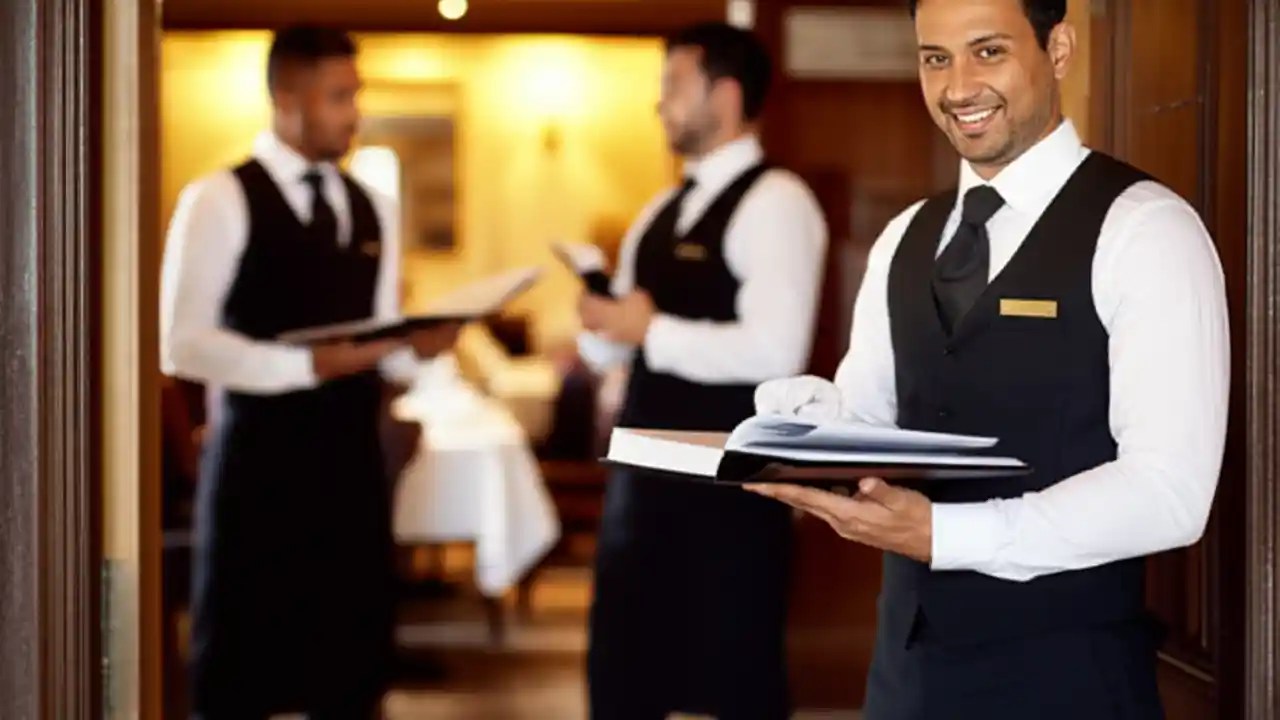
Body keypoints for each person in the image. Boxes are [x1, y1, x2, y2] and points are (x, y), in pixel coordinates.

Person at [748, 1, 1229, 718]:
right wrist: (812, 427)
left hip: (1067, 682)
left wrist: (947, 534)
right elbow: (873, 419)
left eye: (988, 51)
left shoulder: (1146, 230)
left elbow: (1170, 494)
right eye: (935, 58)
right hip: (906, 679)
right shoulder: (903, 237)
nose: (957, 87)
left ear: (1058, 50)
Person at [159, 26, 458, 719]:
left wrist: (419, 348)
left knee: (351, 679)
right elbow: (182, 346)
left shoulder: (375, 207)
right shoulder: (219, 198)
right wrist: (306, 365)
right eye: (339, 97)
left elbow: (380, 342)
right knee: (237, 680)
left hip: (352, 474)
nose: (355, 113)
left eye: (356, 95)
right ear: (287, 98)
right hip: (255, 476)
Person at [577, 21, 829, 720]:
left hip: (730, 492)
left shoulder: (778, 201)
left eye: (673, 86)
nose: (658, 103)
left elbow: (775, 351)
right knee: (622, 675)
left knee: (735, 677)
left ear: (725, 94)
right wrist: (600, 326)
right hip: (642, 484)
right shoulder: (660, 208)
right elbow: (619, 346)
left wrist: (648, 329)